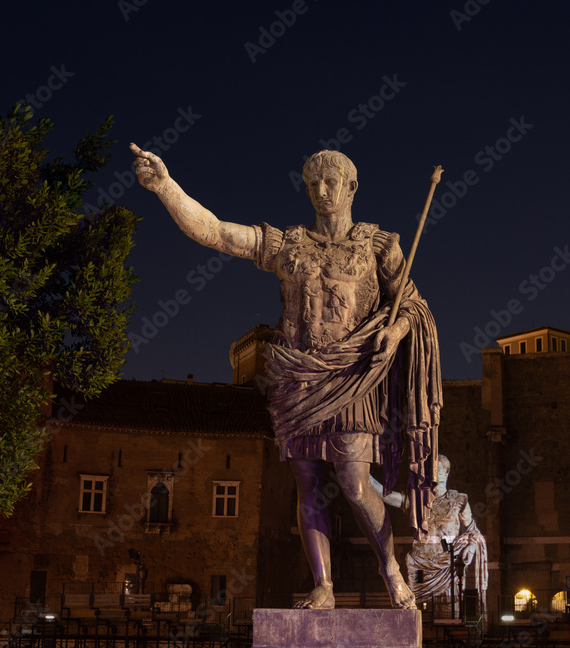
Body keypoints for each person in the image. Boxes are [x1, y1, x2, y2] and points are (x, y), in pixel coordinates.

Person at [132, 145, 441, 609]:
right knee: (307, 485)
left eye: (330, 182)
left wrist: (395, 330)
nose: (320, 191)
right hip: (296, 378)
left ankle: (391, 571)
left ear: (351, 187)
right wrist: (164, 186)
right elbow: (216, 232)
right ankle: (323, 586)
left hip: (350, 376)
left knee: (355, 485)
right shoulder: (287, 244)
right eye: (312, 183)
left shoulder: (378, 246)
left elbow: (415, 306)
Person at [371, 454, 487, 615]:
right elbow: (390, 497)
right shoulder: (418, 501)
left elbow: (473, 531)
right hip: (419, 561)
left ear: (446, 473)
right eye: (430, 471)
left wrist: (471, 547)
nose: (433, 474)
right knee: (415, 603)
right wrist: (364, 477)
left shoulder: (458, 501)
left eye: (437, 470)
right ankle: (417, 634)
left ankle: (448, 635)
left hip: (447, 563)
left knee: (448, 606)